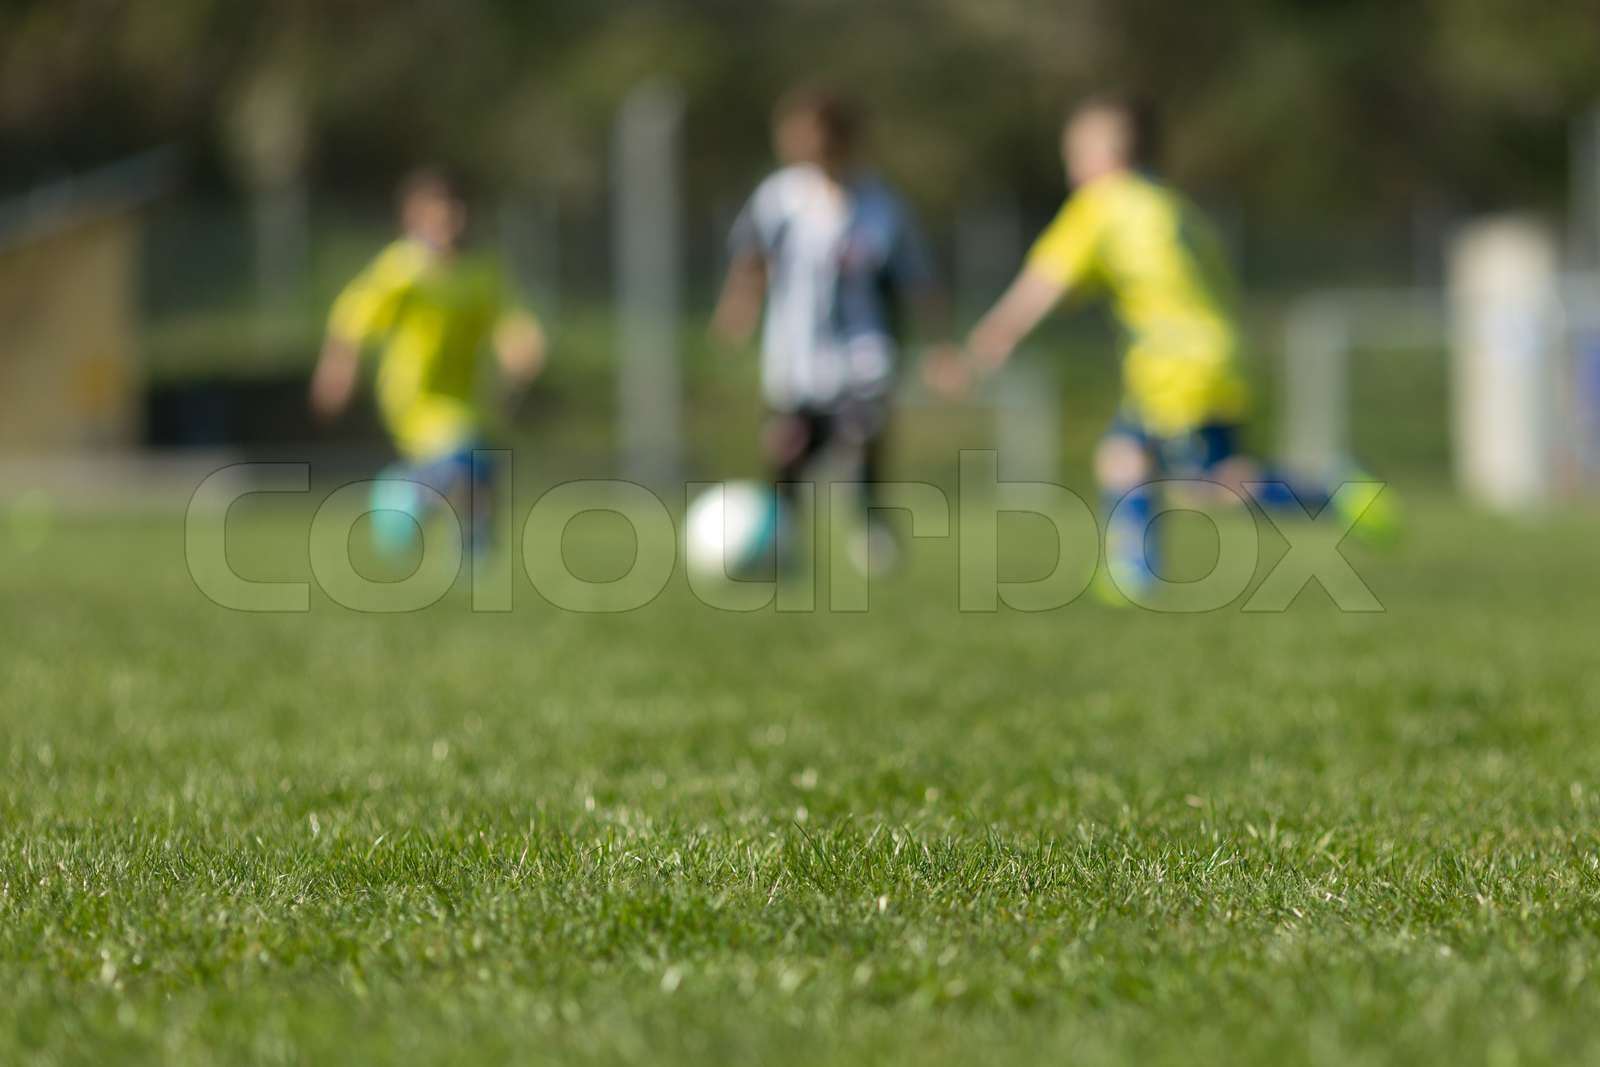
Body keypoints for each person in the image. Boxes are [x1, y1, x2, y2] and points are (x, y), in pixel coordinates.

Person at [936, 93, 1396, 601]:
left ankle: (1332, 494)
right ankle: (1136, 568)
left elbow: (1040, 288)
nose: (1071, 169)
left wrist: (979, 352)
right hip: (1217, 354)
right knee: (1124, 455)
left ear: (1100, 155)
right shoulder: (1170, 204)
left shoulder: (1101, 205)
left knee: (1211, 487)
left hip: (1176, 366)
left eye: (1073, 155)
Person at [712, 85, 951, 576]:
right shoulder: (778, 198)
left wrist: (939, 344)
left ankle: (871, 529)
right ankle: (781, 537)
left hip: (863, 351)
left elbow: (918, 279)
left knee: (863, 436)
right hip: (794, 355)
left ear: (843, 140)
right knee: (789, 448)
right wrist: (739, 307)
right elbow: (751, 260)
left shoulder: (882, 206)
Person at [309, 167, 546, 557]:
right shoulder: (403, 270)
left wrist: (522, 347)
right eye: (438, 208)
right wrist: (337, 368)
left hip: (465, 395)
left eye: (456, 206)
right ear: (413, 217)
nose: (450, 217)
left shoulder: (480, 273)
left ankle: (473, 555)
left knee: (481, 472)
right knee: (464, 458)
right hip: (413, 395)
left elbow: (506, 323)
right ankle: (402, 489)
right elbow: (352, 318)